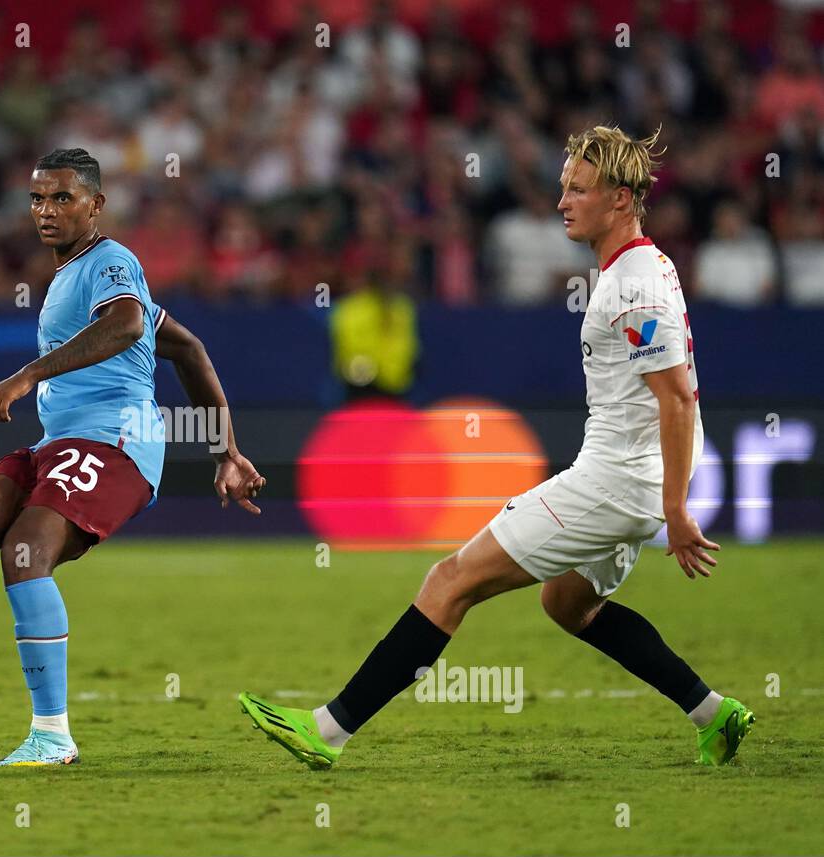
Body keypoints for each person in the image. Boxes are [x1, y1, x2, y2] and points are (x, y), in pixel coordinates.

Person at [240, 126, 754, 769]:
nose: (562, 200)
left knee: (450, 580)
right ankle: (714, 713)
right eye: (563, 186)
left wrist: (675, 510)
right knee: (568, 604)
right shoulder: (641, 267)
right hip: (633, 478)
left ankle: (327, 729)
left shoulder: (633, 285)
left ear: (621, 199)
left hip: (618, 481)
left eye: (579, 189)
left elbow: (676, 399)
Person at [0, 148, 265, 765]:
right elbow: (187, 348)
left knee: (25, 551)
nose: (46, 210)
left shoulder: (111, 262)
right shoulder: (71, 274)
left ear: (96, 205)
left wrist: (25, 378)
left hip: (115, 441)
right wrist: (225, 450)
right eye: (37, 199)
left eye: (62, 198)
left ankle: (52, 735)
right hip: (60, 443)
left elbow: (128, 326)